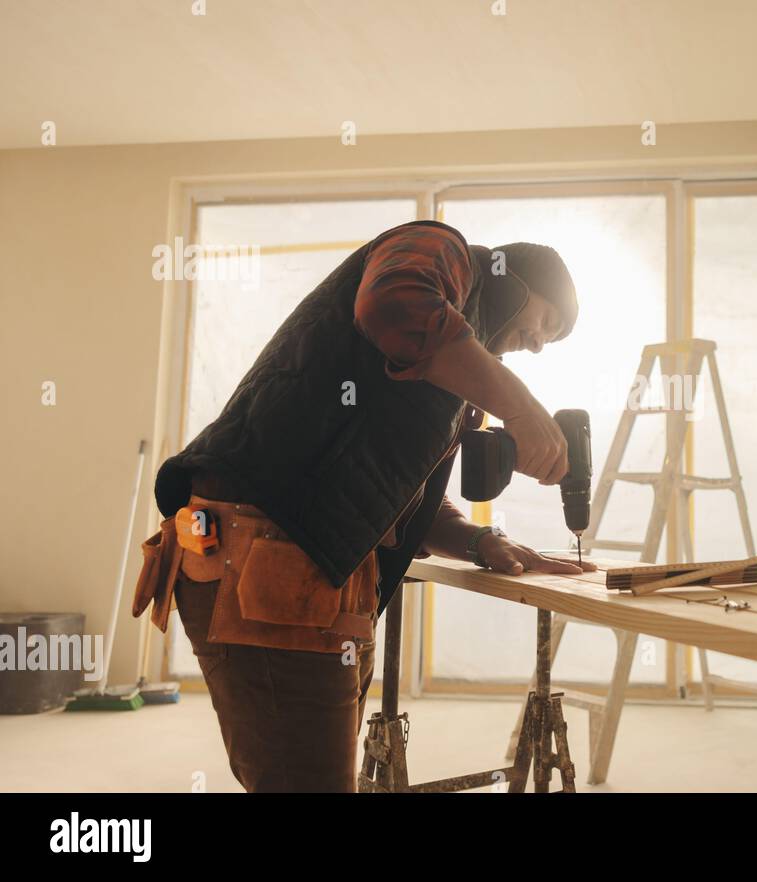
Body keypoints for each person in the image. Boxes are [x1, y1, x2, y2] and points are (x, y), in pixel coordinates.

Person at [131, 220, 595, 792]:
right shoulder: (443, 250)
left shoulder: (453, 370)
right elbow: (394, 301)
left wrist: (480, 541)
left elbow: (395, 491)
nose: (537, 344)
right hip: (267, 562)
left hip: (314, 581)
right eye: (546, 323)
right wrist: (520, 408)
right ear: (514, 277)